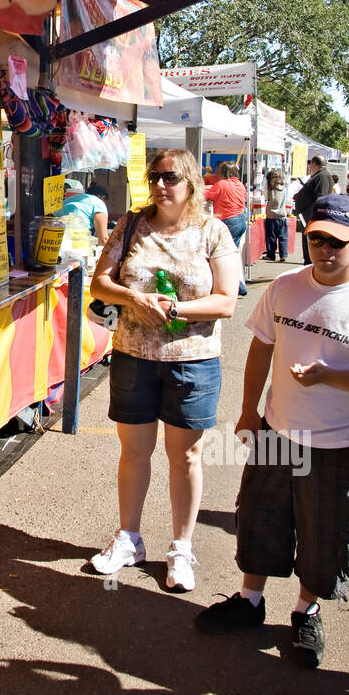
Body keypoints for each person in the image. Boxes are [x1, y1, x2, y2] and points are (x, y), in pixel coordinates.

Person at [195, 195, 349, 668]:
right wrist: (248, 412)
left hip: (339, 442)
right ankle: (249, 600)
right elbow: (262, 347)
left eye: (337, 242)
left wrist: (330, 376)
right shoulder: (285, 287)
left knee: (326, 531)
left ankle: (307, 612)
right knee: (260, 517)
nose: (325, 249)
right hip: (277, 430)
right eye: (316, 238)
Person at [87, 148, 240, 591]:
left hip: (192, 363)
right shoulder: (132, 223)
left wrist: (177, 308)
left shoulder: (212, 231)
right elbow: (100, 282)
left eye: (170, 177)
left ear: (190, 181)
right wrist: (134, 299)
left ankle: (181, 548)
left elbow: (227, 301)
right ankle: (129, 539)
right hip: (134, 356)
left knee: (185, 456)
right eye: (154, 176)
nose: (160, 185)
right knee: (134, 452)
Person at [205, 161, 248, 295]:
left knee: (226, 257)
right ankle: (238, 285)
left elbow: (206, 196)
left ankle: (238, 286)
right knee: (233, 255)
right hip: (241, 220)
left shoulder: (222, 184)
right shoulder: (240, 184)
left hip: (229, 222)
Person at [293, 156, 334, 265]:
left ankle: (310, 263)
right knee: (308, 238)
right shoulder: (318, 176)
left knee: (311, 239)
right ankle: (308, 262)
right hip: (309, 214)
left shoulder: (322, 176)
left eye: (310, 164)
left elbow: (321, 196)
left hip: (313, 215)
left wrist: (316, 215)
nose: (310, 167)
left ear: (314, 164)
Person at [59, 177, 109, 245]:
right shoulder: (99, 204)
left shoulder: (73, 199)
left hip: (56, 238)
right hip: (76, 242)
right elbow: (103, 239)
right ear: (103, 197)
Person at [261, 169, 288, 262]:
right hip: (282, 216)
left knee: (271, 237)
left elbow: (264, 197)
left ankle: (271, 255)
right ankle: (283, 255)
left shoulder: (269, 190)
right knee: (283, 237)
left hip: (271, 216)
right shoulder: (284, 188)